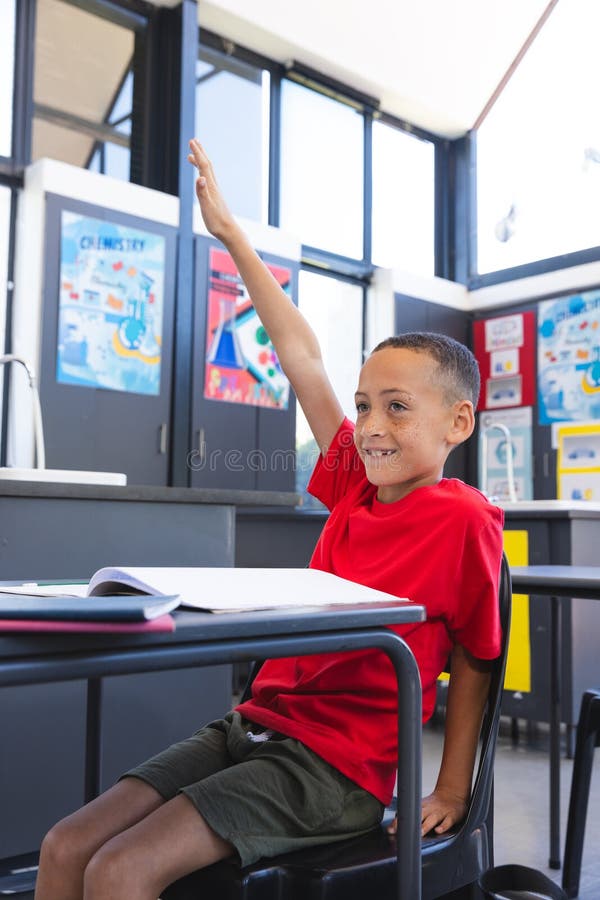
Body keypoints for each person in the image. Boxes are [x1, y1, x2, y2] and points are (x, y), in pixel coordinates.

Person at [34, 139, 504, 900]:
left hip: (333, 768)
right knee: (65, 848)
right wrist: (232, 238)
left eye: (396, 407)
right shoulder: (355, 480)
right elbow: (303, 359)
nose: (370, 425)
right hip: (251, 728)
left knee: (122, 870)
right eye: (363, 406)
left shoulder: (463, 520)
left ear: (458, 422)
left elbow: (480, 657)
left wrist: (451, 790)